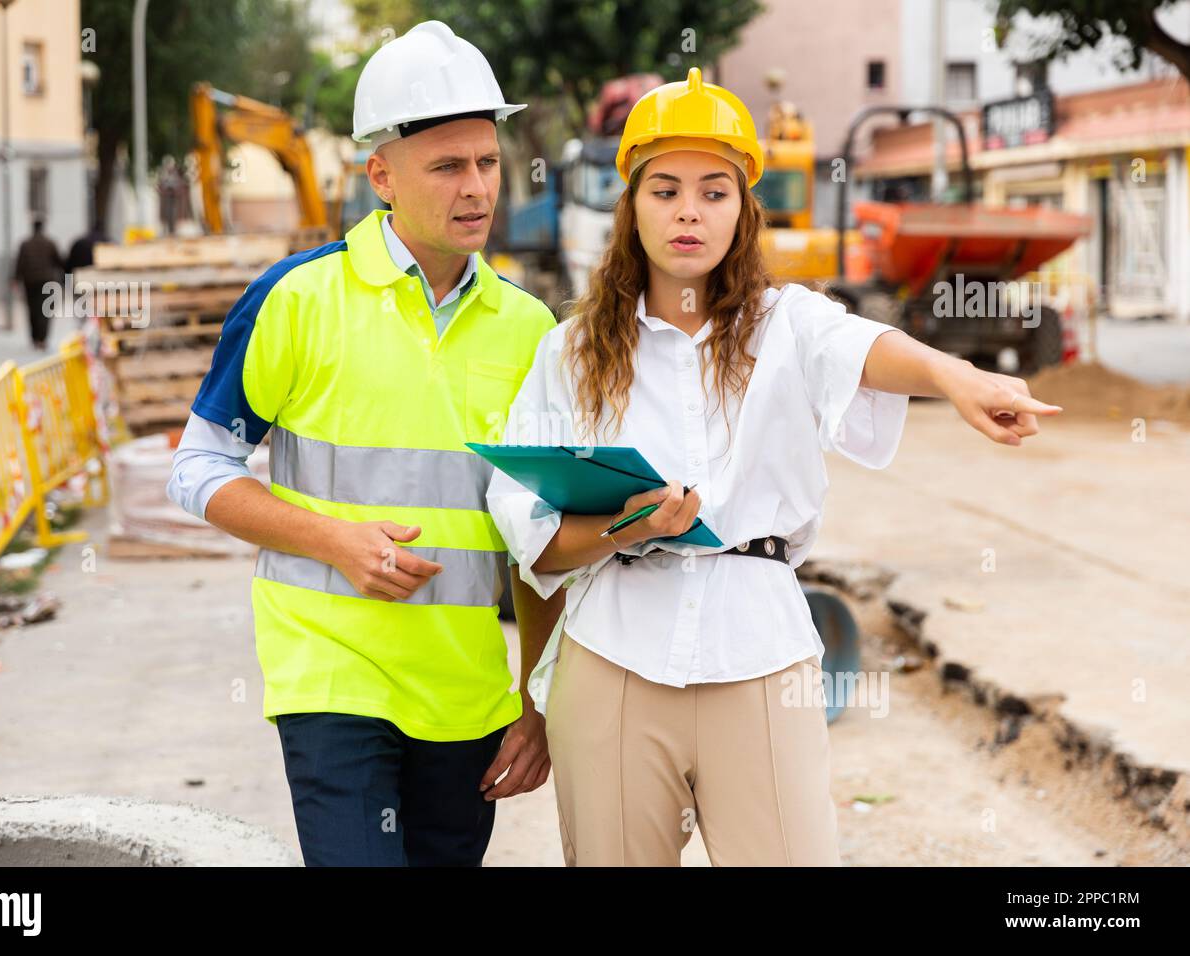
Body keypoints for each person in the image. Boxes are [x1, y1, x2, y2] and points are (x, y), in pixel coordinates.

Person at [486, 68, 1062, 867]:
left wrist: (957, 377)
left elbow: (863, 348)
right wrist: (628, 528)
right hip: (614, 658)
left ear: (744, 208)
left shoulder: (787, 326)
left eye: (715, 191)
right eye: (666, 189)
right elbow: (528, 532)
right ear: (631, 206)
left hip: (760, 660)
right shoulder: (572, 352)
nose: (690, 210)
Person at [166, 21, 565, 866]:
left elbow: (540, 541)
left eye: (487, 163)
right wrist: (334, 542)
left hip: (464, 694)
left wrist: (537, 701)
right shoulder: (296, 299)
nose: (477, 189)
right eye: (447, 167)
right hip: (330, 677)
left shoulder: (530, 330)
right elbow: (198, 468)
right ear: (380, 175)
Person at [12, 216, 64, 350]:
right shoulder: (50, 243)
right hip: (47, 281)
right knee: (45, 310)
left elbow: (20, 263)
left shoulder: (25, 244)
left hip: (30, 281)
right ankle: (42, 338)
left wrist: (15, 279)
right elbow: (59, 262)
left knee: (32, 310)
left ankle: (35, 338)